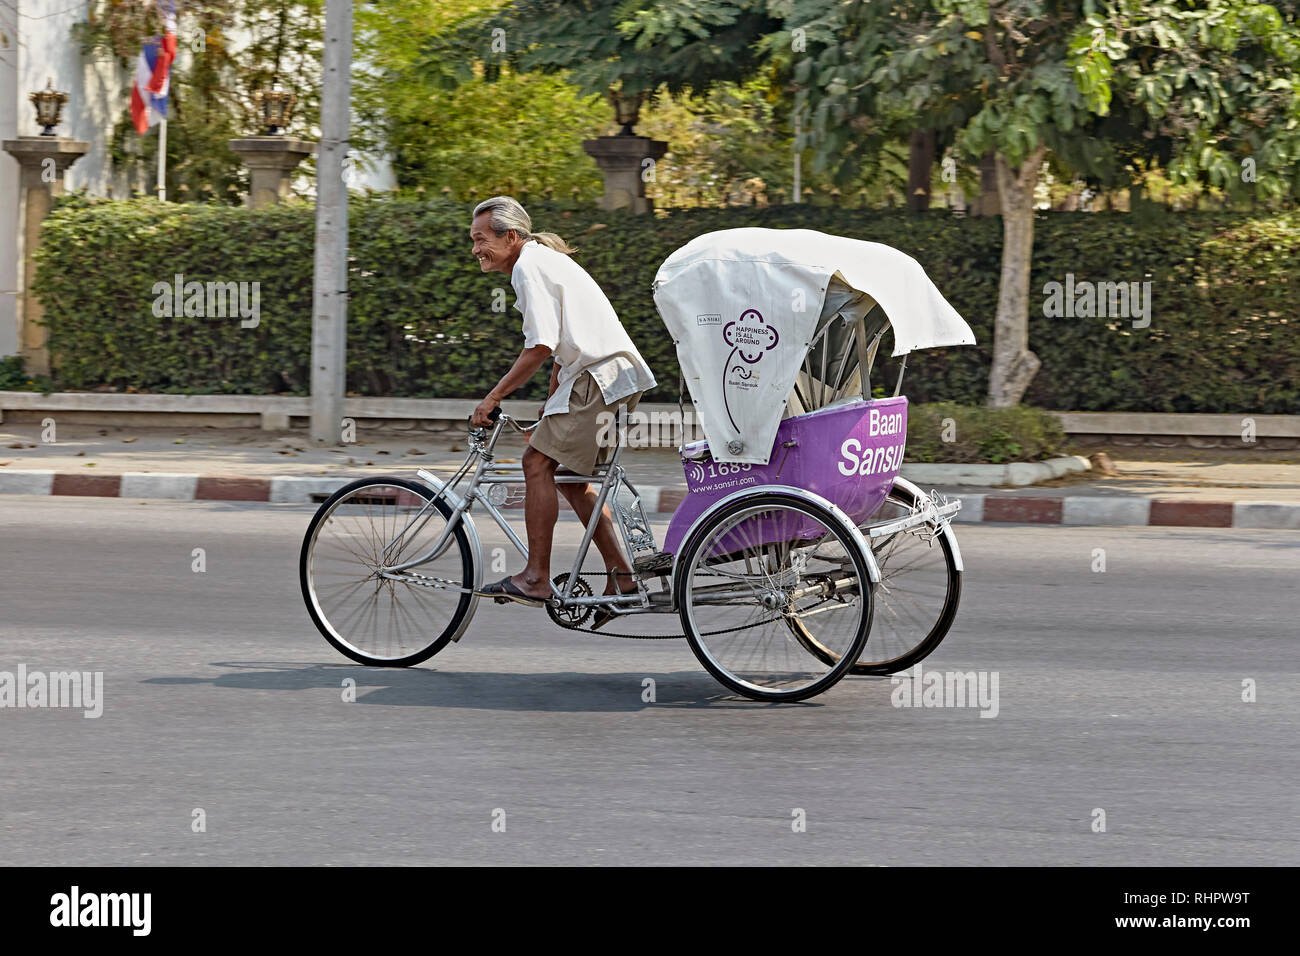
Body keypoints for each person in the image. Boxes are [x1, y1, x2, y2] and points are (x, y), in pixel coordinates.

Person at [468, 196, 656, 623]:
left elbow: (539, 346)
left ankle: (536, 578)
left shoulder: (529, 267)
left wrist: (492, 398)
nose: (475, 250)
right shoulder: (540, 262)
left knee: (535, 464)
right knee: (571, 480)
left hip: (600, 379)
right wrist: (550, 409)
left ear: (510, 236)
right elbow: (559, 352)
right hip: (609, 378)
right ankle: (622, 577)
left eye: (481, 239)